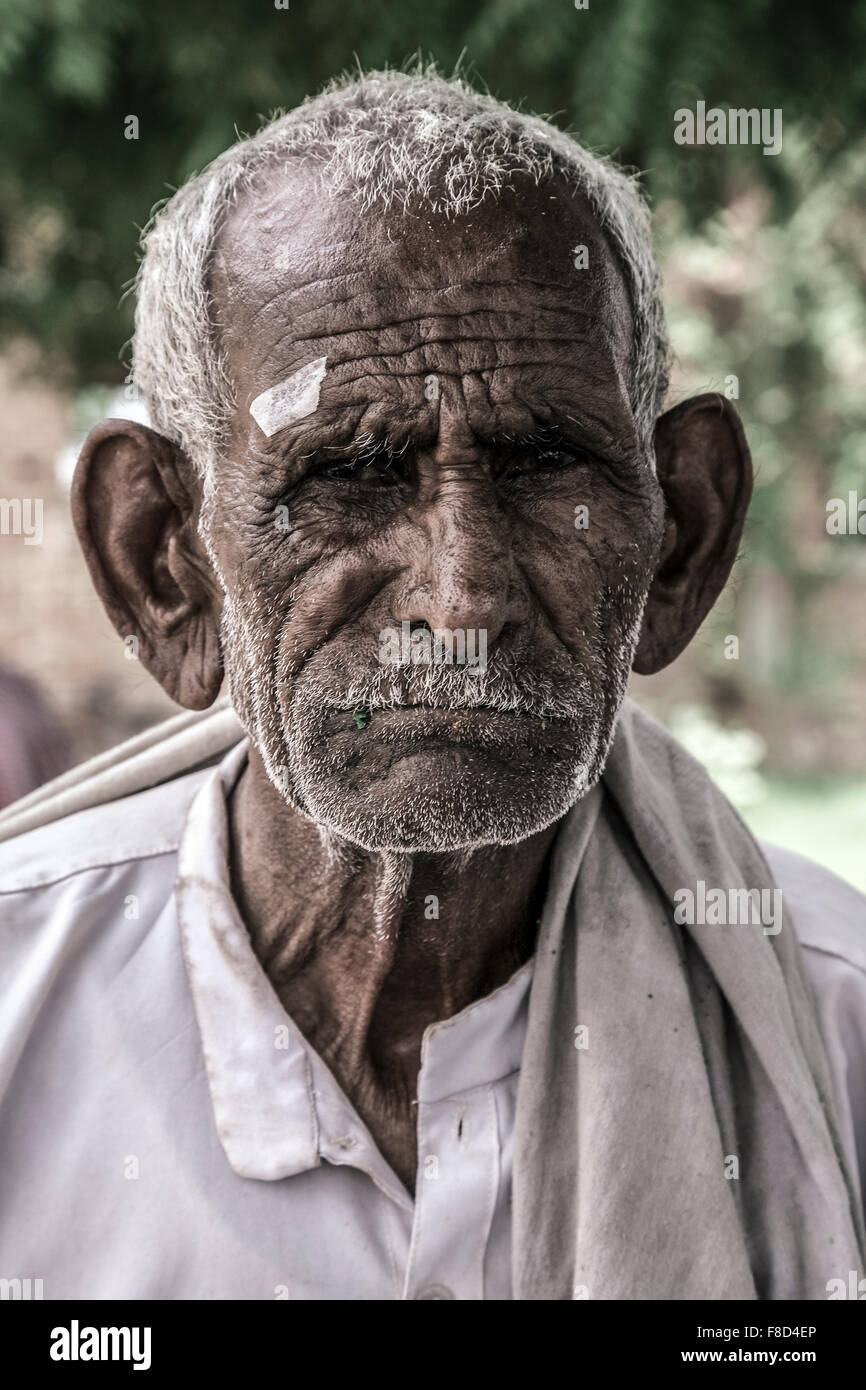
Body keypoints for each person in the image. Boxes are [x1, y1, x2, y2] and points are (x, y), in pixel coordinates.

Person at [0, 68, 863, 1301]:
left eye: (541, 467)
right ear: (164, 564)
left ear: (679, 534)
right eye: (347, 474)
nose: (460, 594)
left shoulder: (833, 1034)